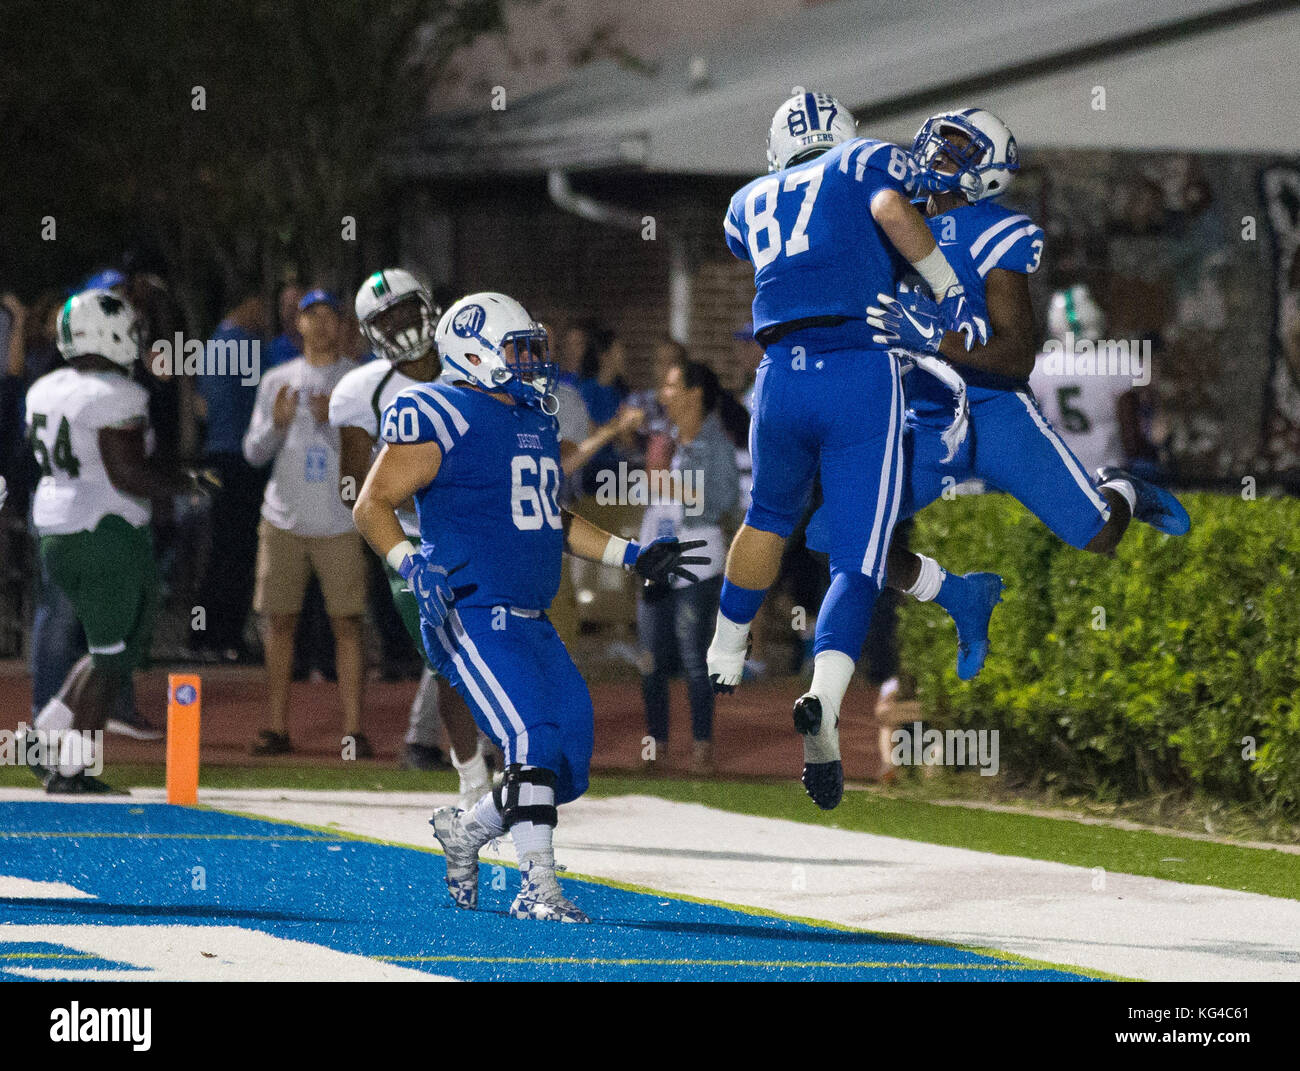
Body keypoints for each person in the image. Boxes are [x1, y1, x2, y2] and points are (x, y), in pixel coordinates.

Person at [353, 291, 704, 923]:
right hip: (472, 609)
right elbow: (370, 504)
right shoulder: (438, 411)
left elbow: (550, 518)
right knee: (530, 738)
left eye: (533, 351)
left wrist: (630, 555)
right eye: (519, 351)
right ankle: (538, 889)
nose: (532, 364)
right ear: (474, 352)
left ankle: (469, 829)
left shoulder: (534, 419)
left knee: (567, 757)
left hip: (532, 617)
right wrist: (409, 564)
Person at [705, 91, 981, 811]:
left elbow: (767, 244)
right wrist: (948, 289)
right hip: (858, 368)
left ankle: (726, 645)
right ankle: (824, 698)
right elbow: (892, 210)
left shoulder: (748, 199)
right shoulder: (863, 160)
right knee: (857, 557)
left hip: (779, 377)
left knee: (767, 516)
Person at [846, 110, 1190, 667]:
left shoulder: (996, 231)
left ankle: (1124, 488)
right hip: (924, 418)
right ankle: (957, 594)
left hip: (992, 410)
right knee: (844, 537)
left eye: (959, 146)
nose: (938, 150)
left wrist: (938, 338)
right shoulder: (890, 223)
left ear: (988, 171)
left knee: (1099, 534)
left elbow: (1014, 357)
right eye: (940, 138)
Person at [24, 290, 206, 792]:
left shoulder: (45, 387)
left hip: (57, 530)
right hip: (105, 531)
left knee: (110, 654)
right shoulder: (116, 395)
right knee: (109, 657)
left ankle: (54, 746)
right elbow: (127, 472)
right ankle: (63, 759)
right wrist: (188, 483)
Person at [330, 268, 490, 803]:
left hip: (481, 533)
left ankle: (497, 768)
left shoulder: (468, 364)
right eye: (386, 317)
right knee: (452, 661)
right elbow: (353, 488)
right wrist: (407, 484)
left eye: (405, 309)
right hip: (416, 547)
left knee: (493, 649)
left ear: (427, 304)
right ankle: (474, 778)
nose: (399, 323)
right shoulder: (362, 391)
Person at [243, 289, 367, 756]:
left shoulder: (357, 381)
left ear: (342, 325)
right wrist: (276, 423)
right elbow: (252, 453)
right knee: (279, 624)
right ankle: (275, 726)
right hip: (283, 519)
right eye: (311, 316)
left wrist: (333, 423)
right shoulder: (278, 379)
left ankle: (353, 731)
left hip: (339, 519)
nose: (320, 325)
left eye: (329, 316)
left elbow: (369, 456)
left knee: (348, 624)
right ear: (298, 323)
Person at [637, 358, 740, 774]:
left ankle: (702, 747)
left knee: (695, 659)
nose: (665, 394)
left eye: (673, 385)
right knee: (649, 660)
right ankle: (656, 747)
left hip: (697, 561)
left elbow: (723, 501)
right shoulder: (665, 440)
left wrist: (673, 485)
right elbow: (645, 492)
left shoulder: (716, 445)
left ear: (696, 393)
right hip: (654, 558)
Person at [191, 288, 269, 663]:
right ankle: (227, 636)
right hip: (240, 459)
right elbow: (261, 403)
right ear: (247, 303)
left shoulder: (212, 345)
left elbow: (203, 406)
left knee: (220, 546)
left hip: (214, 456)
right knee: (238, 550)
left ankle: (205, 634)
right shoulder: (246, 345)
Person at [1029, 284, 1155, 477]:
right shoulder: (1120, 360)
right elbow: (1131, 438)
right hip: (1110, 474)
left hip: (1061, 475)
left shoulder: (1038, 368)